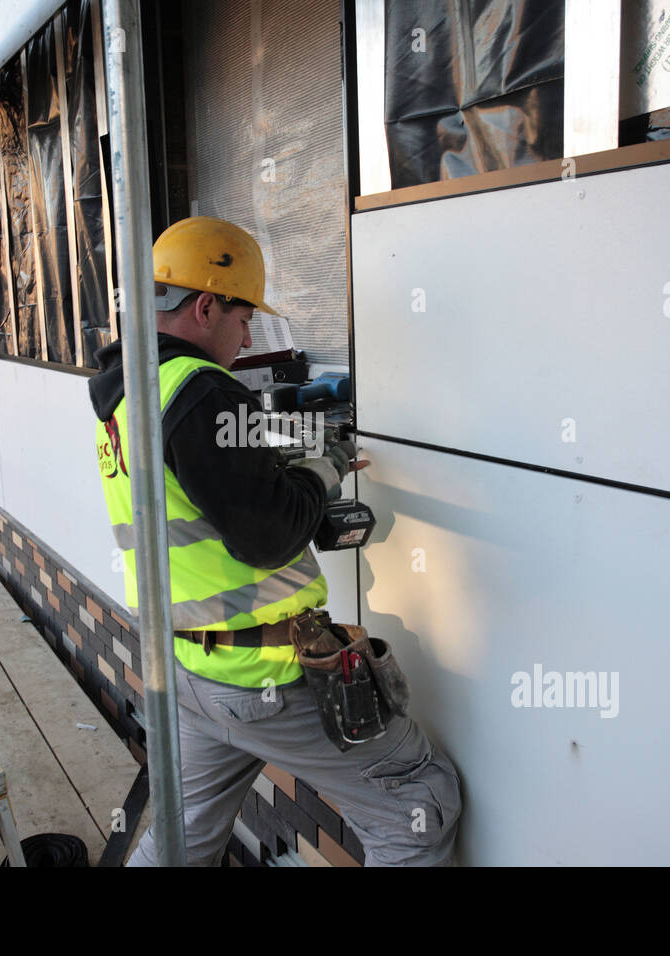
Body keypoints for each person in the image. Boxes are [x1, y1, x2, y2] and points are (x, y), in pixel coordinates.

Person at [88, 216, 461, 866]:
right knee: (417, 803)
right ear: (206, 305)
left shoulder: (128, 396)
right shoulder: (201, 388)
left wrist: (291, 481)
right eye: (243, 316)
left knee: (182, 839)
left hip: (191, 669)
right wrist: (325, 469)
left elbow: (211, 498)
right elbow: (263, 535)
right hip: (263, 673)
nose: (249, 333)